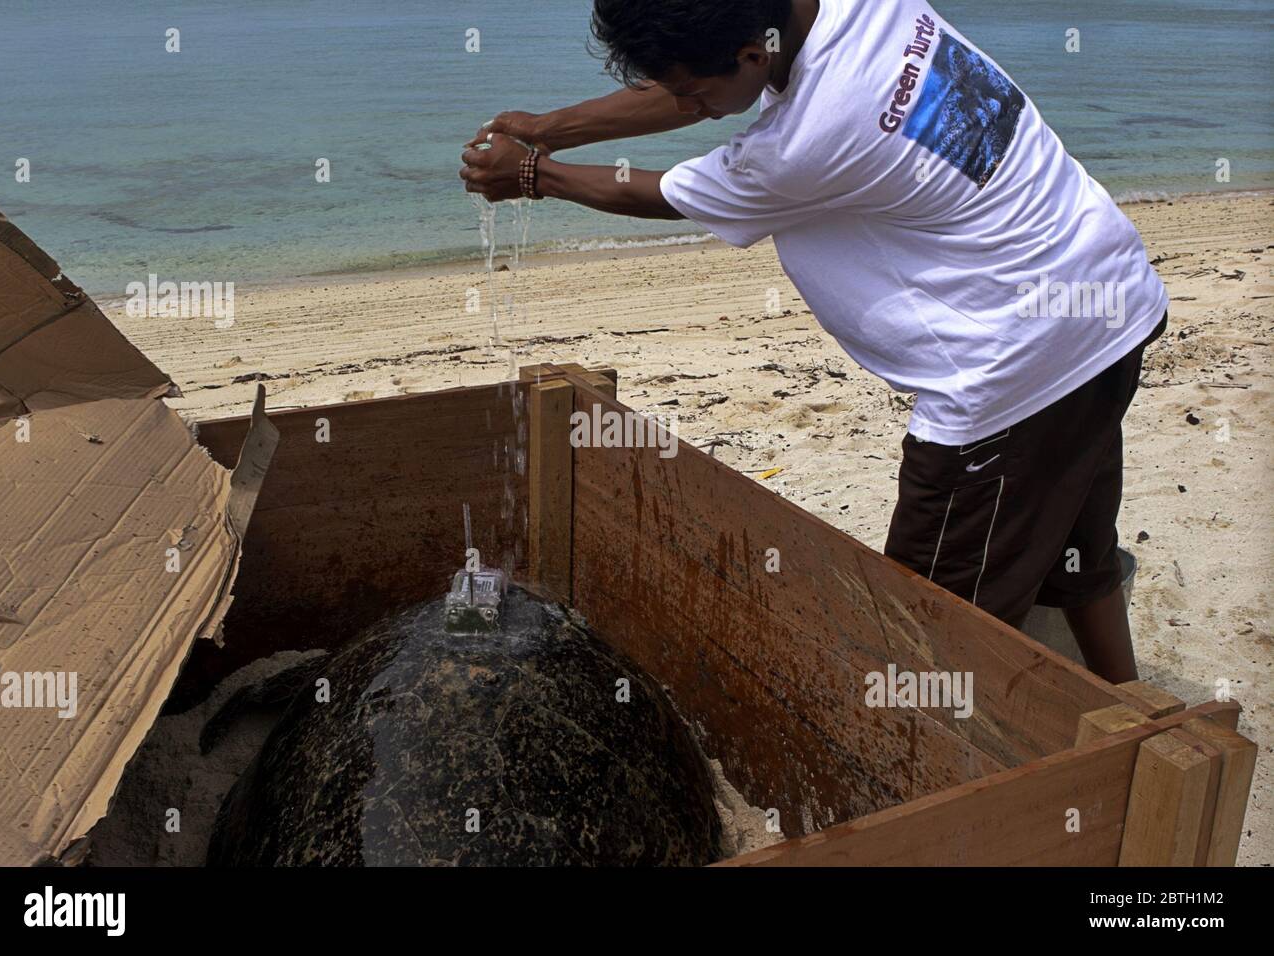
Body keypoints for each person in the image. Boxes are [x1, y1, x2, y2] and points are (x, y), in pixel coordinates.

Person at [459, 0, 1169, 683]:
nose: (689, 109)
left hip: (1012, 375)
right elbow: (691, 86)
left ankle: (941, 791)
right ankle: (1136, 708)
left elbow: (661, 194)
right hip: (1108, 300)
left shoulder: (807, 140)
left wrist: (533, 175)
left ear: (748, 52)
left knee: (930, 641)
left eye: (694, 95)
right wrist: (549, 127)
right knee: (1077, 552)